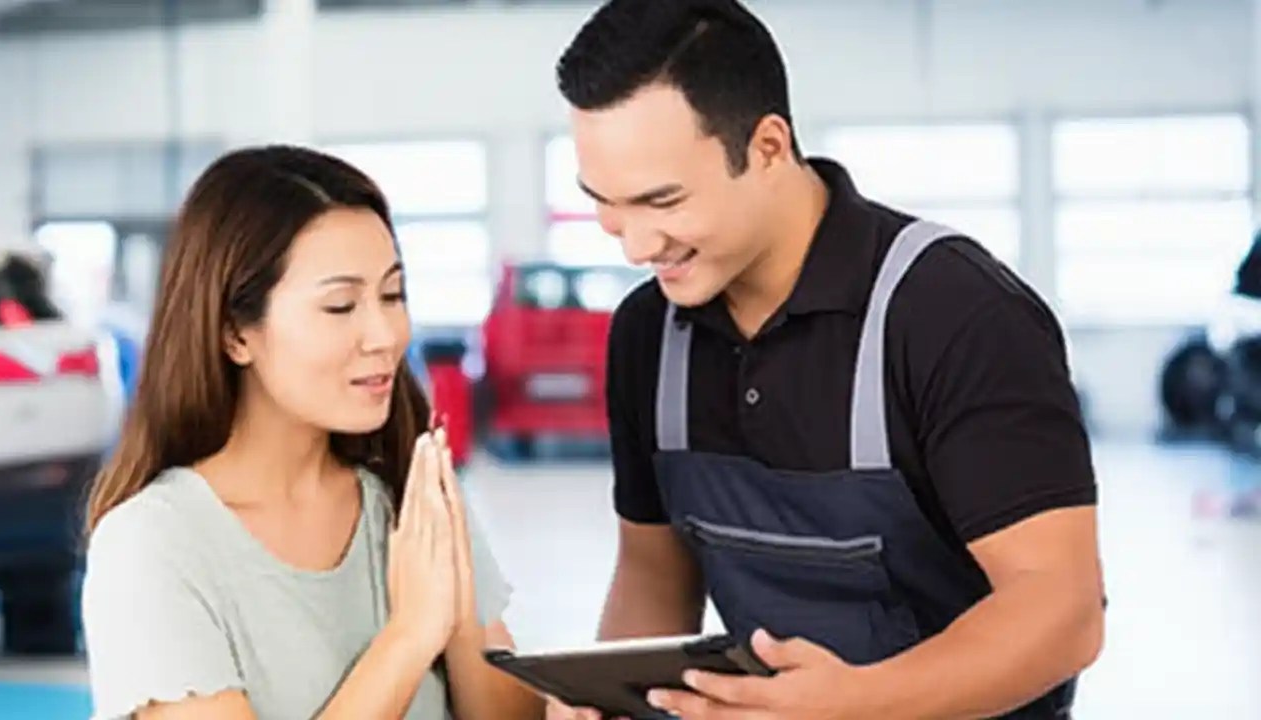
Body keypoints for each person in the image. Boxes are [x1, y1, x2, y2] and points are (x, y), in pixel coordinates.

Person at [548, 1, 1105, 718]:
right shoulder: (647, 335)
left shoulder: (952, 313)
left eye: (664, 200)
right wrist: (609, 700)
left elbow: (1062, 610)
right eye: (608, 205)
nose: (634, 245)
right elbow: (655, 578)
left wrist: (857, 704)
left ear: (769, 147)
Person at [80, 146, 544, 720]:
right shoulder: (152, 543)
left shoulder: (411, 495)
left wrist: (462, 619)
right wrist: (408, 637)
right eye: (340, 305)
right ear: (235, 334)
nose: (383, 334)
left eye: (393, 295)